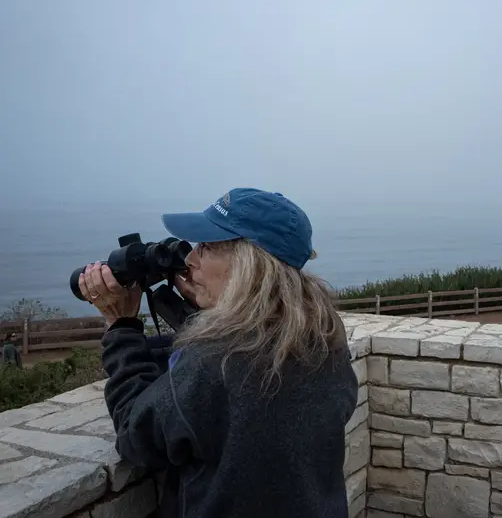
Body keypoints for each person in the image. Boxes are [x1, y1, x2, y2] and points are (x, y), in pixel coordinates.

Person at [78, 188, 357, 518]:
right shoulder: (326, 344)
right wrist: (211, 308)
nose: (191, 259)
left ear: (248, 266)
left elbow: (135, 434)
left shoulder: (213, 364)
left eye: (206, 246)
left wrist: (121, 325)